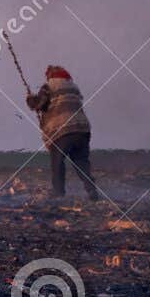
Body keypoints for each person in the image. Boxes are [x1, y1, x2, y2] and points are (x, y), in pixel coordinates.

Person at [26, 65, 102, 200]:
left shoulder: (49, 86)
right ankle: (92, 191)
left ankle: (58, 193)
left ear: (50, 75)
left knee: (57, 162)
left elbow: (38, 104)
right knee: (81, 162)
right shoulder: (73, 87)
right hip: (82, 130)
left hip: (62, 130)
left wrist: (30, 99)